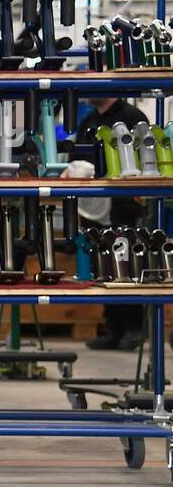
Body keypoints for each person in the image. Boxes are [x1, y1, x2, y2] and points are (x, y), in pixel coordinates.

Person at [70, 96, 148, 350]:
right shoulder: (89, 121)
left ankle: (135, 328)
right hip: (94, 208)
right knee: (103, 267)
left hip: (122, 205)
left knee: (126, 266)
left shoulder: (132, 117)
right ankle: (114, 330)